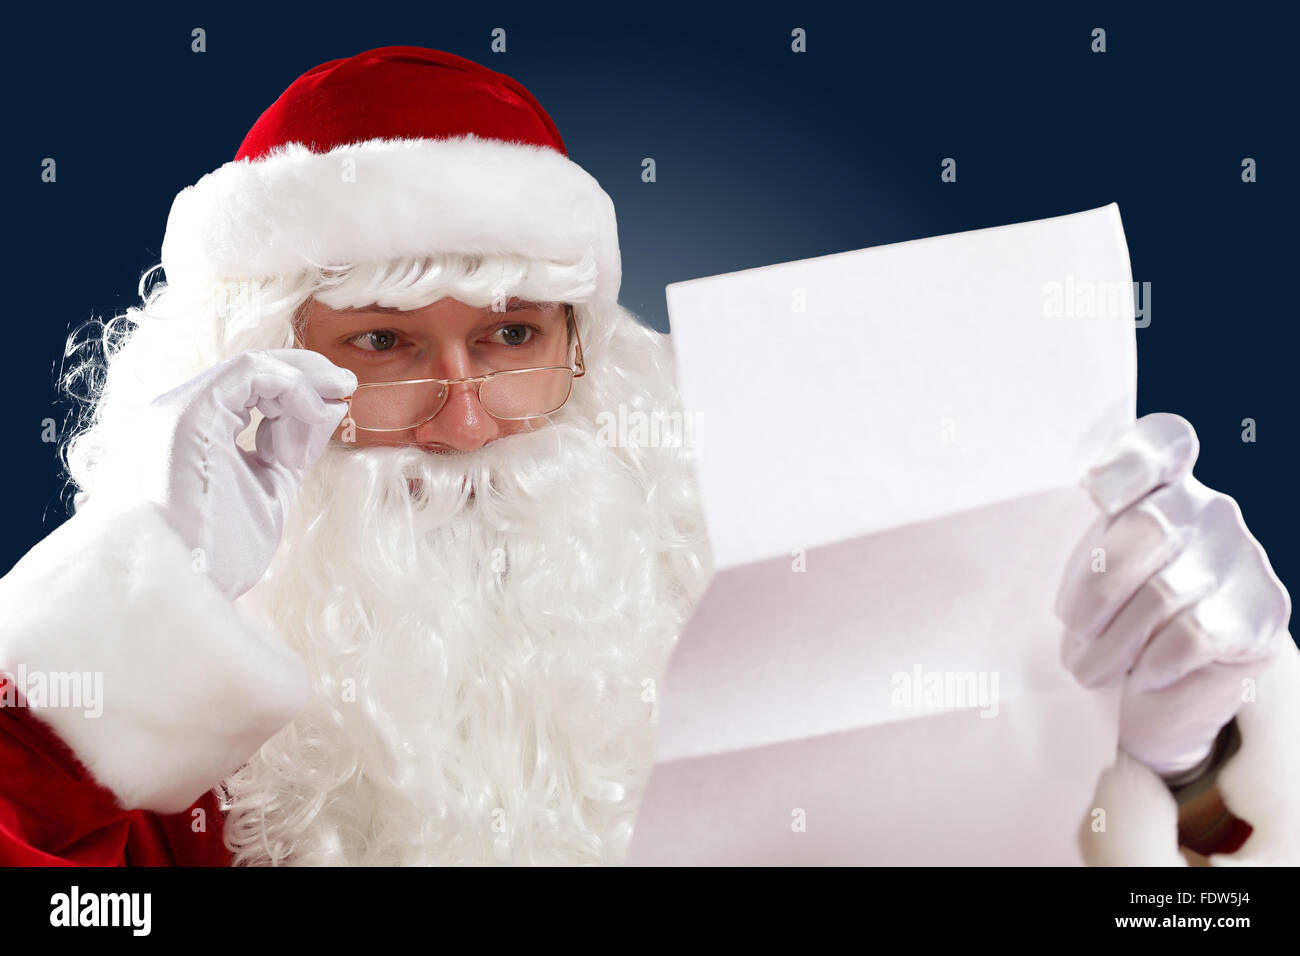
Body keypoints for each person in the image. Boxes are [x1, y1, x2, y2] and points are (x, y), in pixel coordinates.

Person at [0, 46, 1294, 866]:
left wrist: (1180, 766)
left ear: (591, 349)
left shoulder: (755, 567)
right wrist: (147, 590)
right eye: (384, 345)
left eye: (512, 333)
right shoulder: (118, 716)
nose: (464, 420)